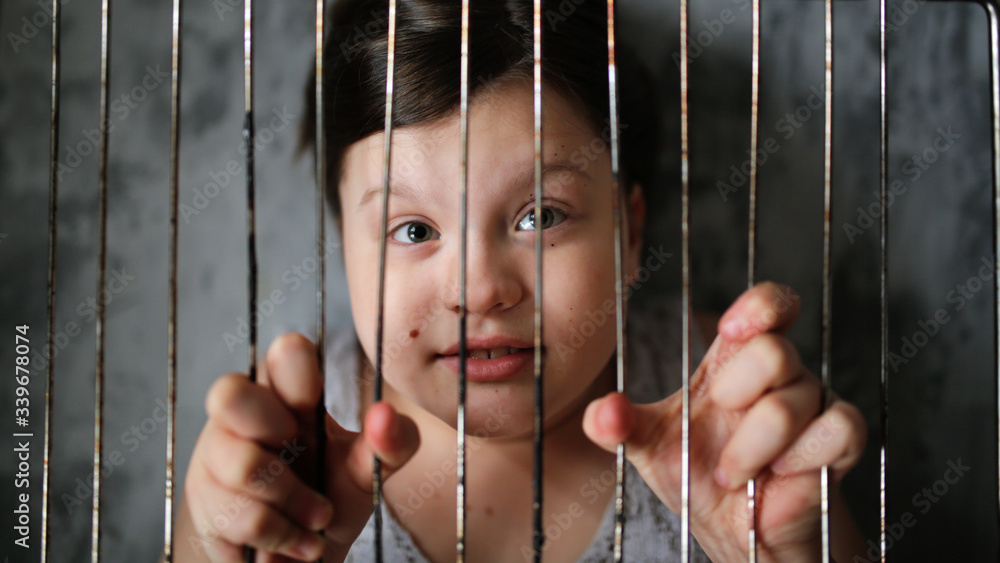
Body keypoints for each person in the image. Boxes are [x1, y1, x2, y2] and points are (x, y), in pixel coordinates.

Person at [172, 0, 868, 560]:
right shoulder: (284, 458)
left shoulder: (725, 415)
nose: (477, 291)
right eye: (412, 230)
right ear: (344, 245)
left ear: (630, 233)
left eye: (540, 216)